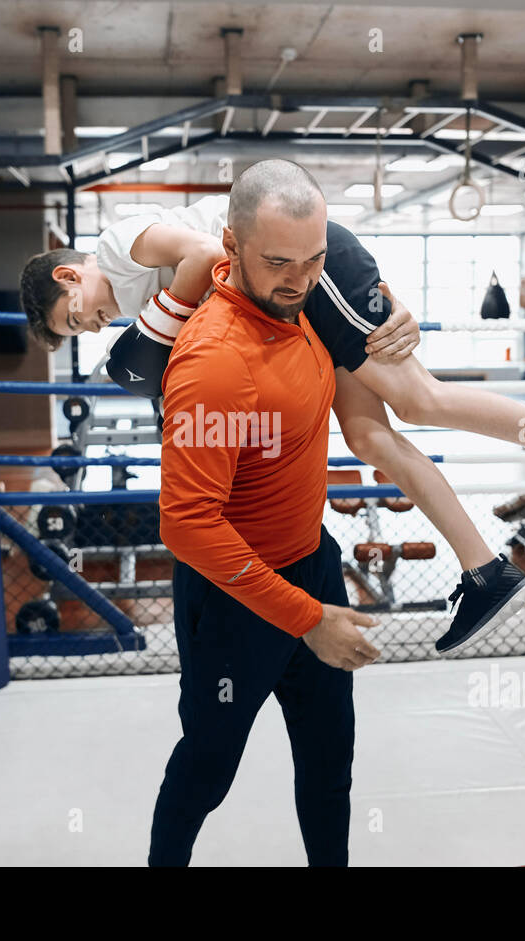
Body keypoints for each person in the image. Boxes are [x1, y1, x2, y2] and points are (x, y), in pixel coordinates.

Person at [21, 175, 525, 650]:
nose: (90, 326)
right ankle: (486, 571)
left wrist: (154, 343)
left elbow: (202, 257)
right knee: (371, 436)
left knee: (418, 398)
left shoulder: (118, 244)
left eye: (75, 315)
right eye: (76, 332)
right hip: (293, 290)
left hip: (293, 262)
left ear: (72, 275)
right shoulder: (126, 294)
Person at [147, 159, 374, 865]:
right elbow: (185, 524)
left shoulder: (300, 301)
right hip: (233, 601)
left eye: (312, 260)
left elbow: (354, 297)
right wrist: (307, 619)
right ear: (232, 244)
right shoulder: (215, 362)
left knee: (329, 763)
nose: (300, 280)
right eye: (278, 262)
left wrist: (396, 318)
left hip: (313, 564)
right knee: (208, 768)